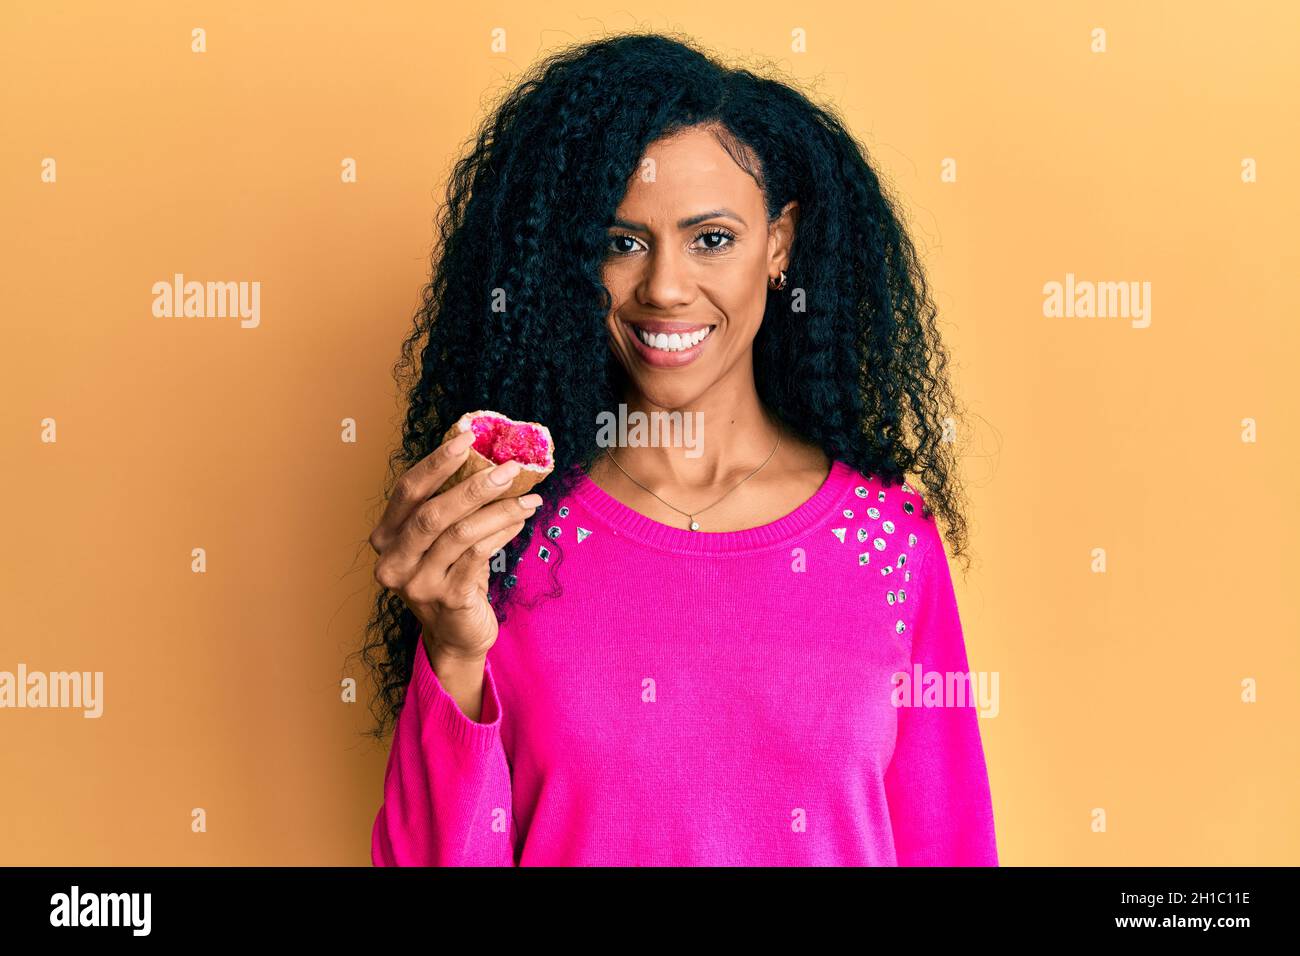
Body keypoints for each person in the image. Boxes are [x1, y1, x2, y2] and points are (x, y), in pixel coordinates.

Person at [361, 32, 997, 866]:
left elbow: (950, 847)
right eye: (621, 243)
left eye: (712, 239)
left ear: (779, 245)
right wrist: (451, 646)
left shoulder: (891, 547)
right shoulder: (502, 534)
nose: (664, 287)